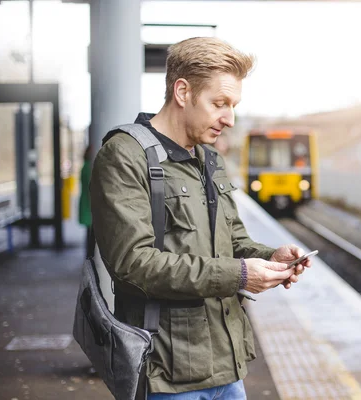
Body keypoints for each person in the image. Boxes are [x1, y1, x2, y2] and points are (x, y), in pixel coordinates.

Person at [90, 37, 312, 399]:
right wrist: (240, 274)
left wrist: (269, 257)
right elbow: (133, 263)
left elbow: (234, 241)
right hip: (167, 373)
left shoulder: (209, 160)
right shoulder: (124, 156)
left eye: (234, 105)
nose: (230, 119)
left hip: (227, 365)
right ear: (182, 92)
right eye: (220, 103)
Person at [78, 144, 92, 256]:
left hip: (86, 206)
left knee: (89, 236)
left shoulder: (85, 166)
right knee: (91, 238)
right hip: (89, 207)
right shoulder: (89, 167)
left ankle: (89, 256)